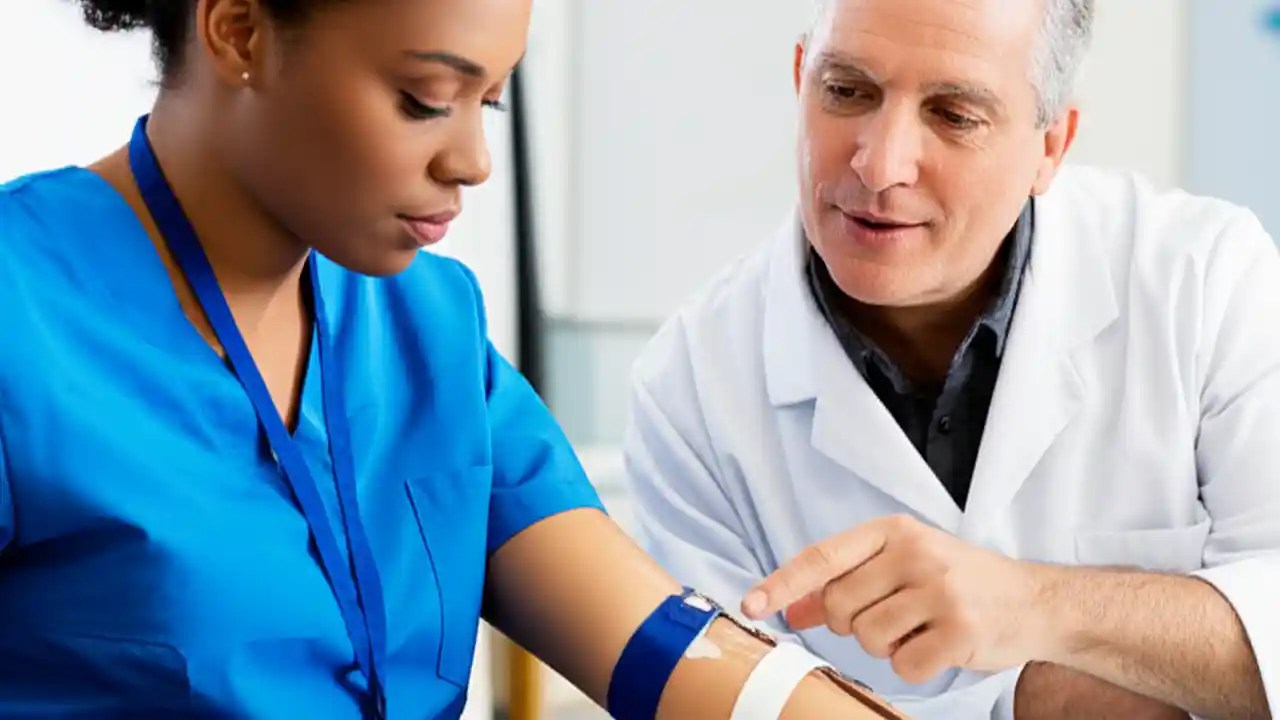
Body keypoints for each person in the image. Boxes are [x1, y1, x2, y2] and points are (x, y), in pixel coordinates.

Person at [0, 0, 907, 718]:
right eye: (427, 99)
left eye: (492, 102)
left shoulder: (425, 325)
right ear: (239, 30)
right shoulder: (23, 315)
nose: (472, 160)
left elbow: (657, 644)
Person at [622, 0, 1278, 718]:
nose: (879, 165)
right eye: (847, 91)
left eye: (954, 114)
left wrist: (1036, 606)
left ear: (1051, 147)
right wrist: (1036, 701)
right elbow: (712, 704)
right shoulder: (689, 387)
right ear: (801, 77)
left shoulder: (1205, 281)